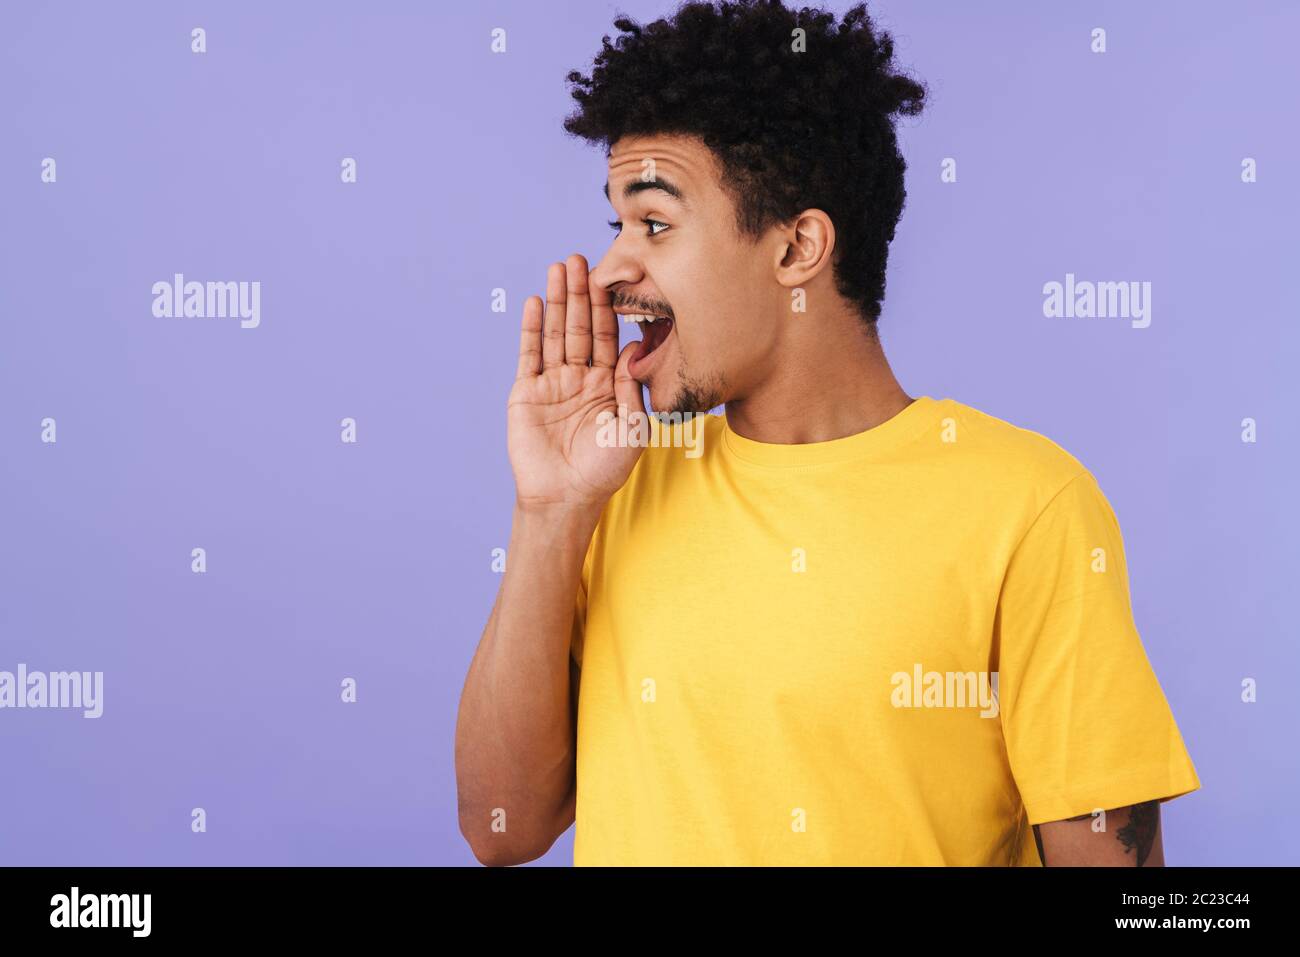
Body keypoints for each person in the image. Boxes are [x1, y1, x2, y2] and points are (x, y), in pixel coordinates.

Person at [455, 0, 1200, 866]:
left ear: (797, 248)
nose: (615, 266)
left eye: (654, 223)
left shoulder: (1030, 505)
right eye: (616, 224)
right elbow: (498, 827)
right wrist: (549, 509)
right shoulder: (614, 485)